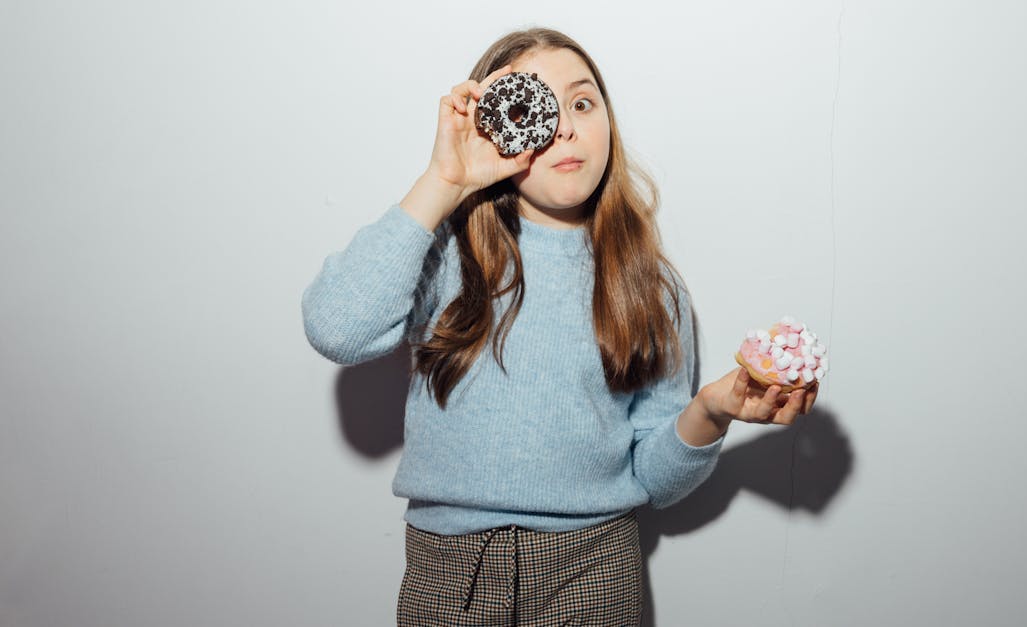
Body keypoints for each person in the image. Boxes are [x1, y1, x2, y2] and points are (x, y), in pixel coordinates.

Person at [301, 26, 819, 627]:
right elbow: (335, 328)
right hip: (449, 566)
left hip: (596, 567)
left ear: (607, 121)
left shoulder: (648, 286)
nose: (567, 128)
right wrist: (442, 184)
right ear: (496, 128)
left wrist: (711, 409)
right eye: (538, 108)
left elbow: (655, 481)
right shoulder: (445, 256)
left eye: (582, 102)